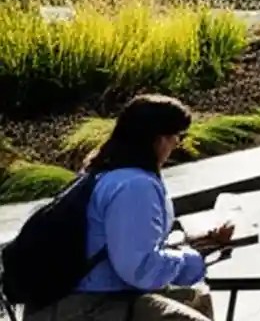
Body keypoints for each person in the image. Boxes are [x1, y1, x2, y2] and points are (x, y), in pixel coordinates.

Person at [26, 95, 227, 321]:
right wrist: (192, 260)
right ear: (159, 140)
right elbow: (139, 269)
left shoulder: (106, 173)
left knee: (197, 297)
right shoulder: (135, 186)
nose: (176, 145)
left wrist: (195, 243)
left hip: (74, 300)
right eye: (176, 137)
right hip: (83, 306)